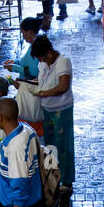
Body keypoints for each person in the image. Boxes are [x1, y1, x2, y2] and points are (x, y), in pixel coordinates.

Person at [30, 34, 73, 190]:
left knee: (63, 145)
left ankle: (66, 181)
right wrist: (26, 84)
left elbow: (63, 87)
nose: (41, 61)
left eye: (41, 58)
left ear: (49, 52)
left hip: (62, 110)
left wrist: (44, 93)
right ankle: (51, 179)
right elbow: (40, 80)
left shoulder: (63, 62)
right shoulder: (43, 64)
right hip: (46, 110)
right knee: (49, 145)